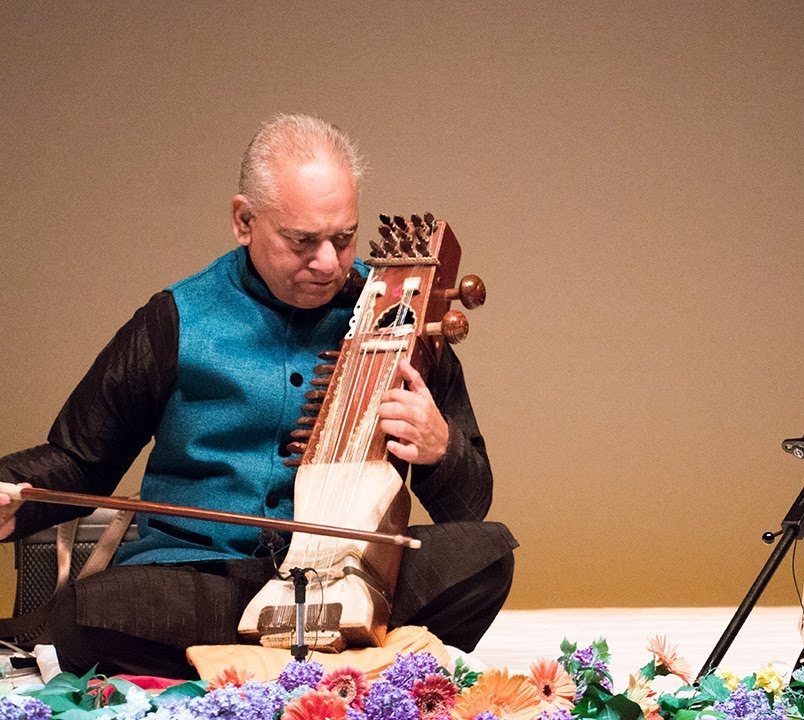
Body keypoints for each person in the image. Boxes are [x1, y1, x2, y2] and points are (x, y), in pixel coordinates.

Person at [0, 114, 516, 678]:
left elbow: (470, 505)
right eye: (302, 241)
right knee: (83, 613)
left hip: (354, 578)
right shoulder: (176, 319)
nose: (328, 262)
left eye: (344, 238)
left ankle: (253, 662)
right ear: (244, 220)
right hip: (205, 575)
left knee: (485, 554)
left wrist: (441, 450)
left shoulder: (398, 316)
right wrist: (7, 498)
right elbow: (79, 459)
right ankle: (334, 658)